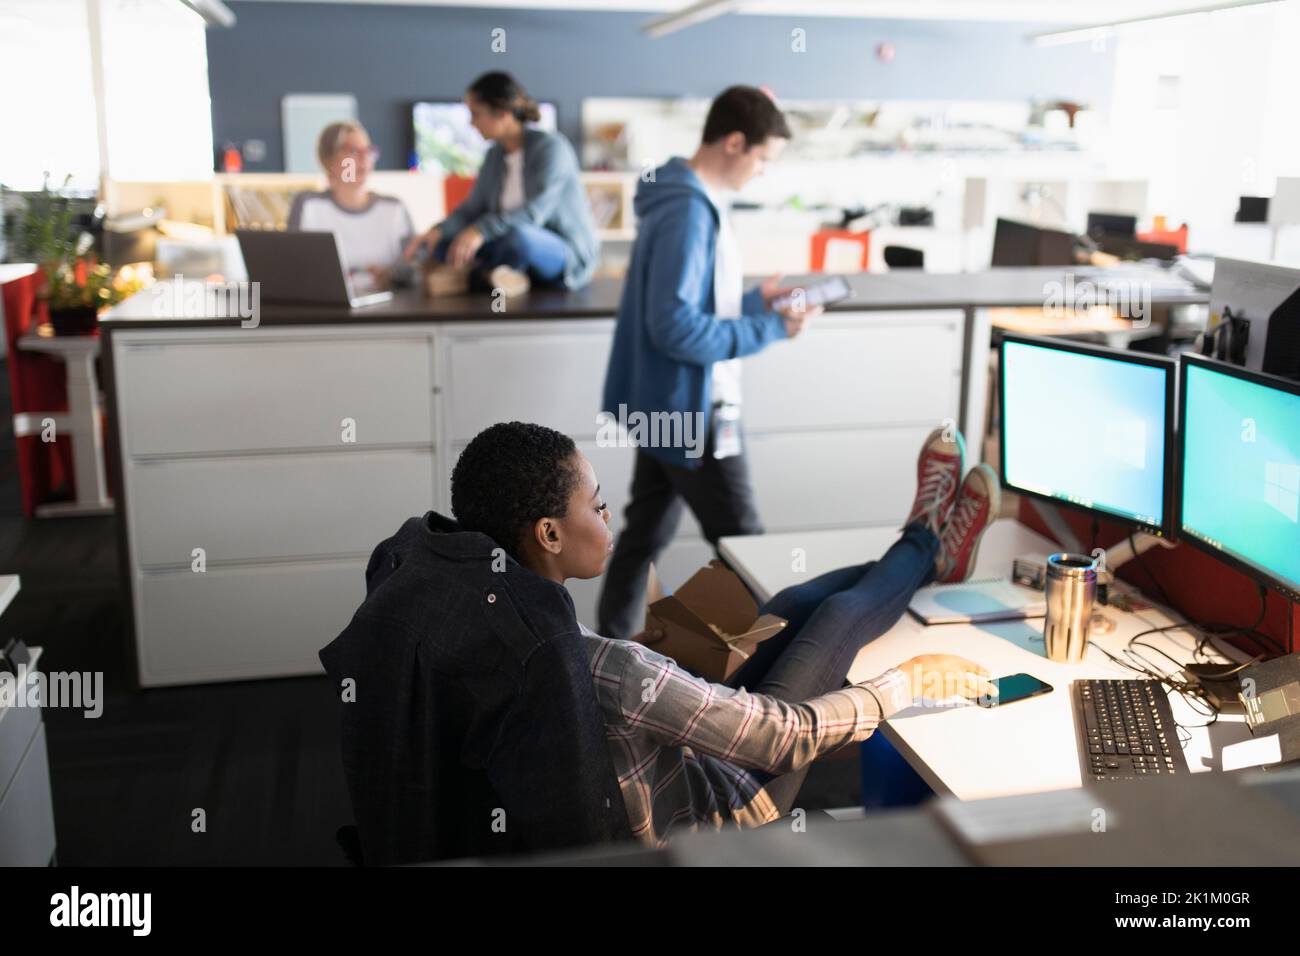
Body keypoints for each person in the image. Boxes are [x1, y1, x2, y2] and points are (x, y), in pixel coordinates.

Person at [449, 419, 1002, 847]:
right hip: (722, 814)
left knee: (789, 606)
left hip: (674, 771)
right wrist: (904, 683)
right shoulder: (611, 668)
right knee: (837, 618)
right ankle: (926, 539)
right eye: (596, 506)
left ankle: (927, 548)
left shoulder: (486, 622)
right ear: (549, 534)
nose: (607, 514)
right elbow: (783, 738)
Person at [597, 85, 819, 642]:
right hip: (692, 408)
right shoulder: (688, 212)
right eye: (763, 159)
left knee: (643, 534)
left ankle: (606, 654)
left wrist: (751, 306)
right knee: (749, 547)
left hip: (668, 400)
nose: (763, 172)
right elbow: (672, 327)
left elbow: (691, 310)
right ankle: (777, 681)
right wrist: (771, 327)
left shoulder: (689, 200)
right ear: (735, 142)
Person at [404, 71, 598, 296]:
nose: (471, 123)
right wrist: (438, 231)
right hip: (508, 242)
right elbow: (472, 209)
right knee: (442, 245)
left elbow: (535, 214)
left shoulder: (551, 148)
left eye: (476, 114)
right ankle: (501, 276)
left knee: (520, 239)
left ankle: (487, 274)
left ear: (503, 114)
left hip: (559, 250)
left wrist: (479, 230)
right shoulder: (494, 156)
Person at [287, 120, 415, 290]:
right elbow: (292, 265)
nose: (364, 159)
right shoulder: (308, 205)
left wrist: (393, 276)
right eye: (353, 151)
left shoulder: (394, 208)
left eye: (368, 150)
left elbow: (416, 266)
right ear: (329, 161)